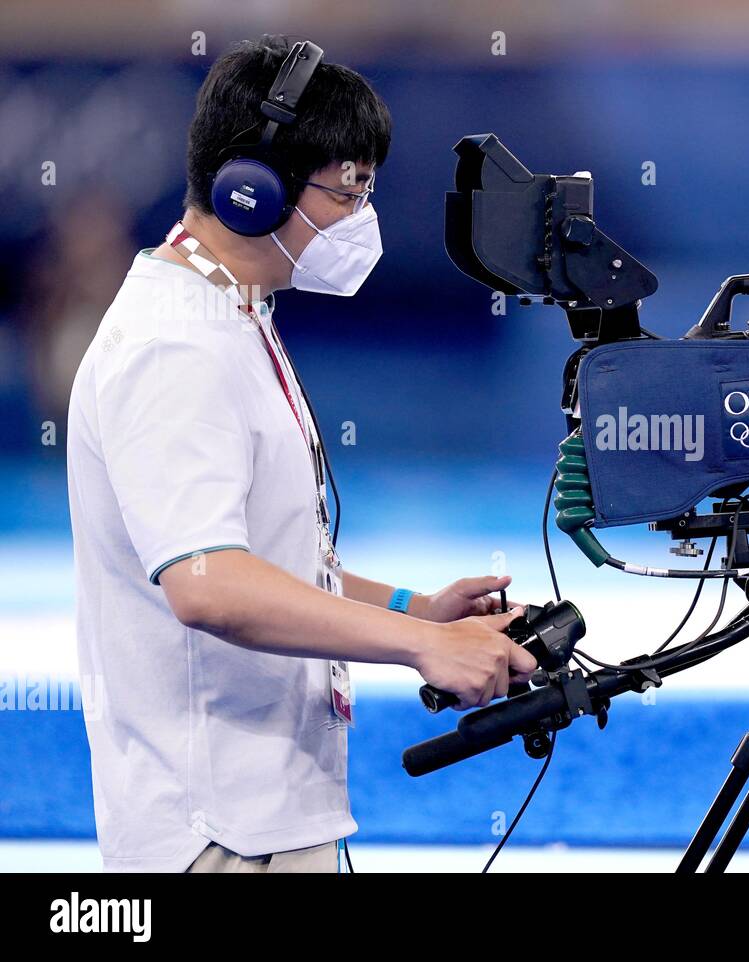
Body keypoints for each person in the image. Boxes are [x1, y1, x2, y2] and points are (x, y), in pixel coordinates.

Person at [65, 36, 537, 873]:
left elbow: (259, 553)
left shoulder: (233, 315)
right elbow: (207, 586)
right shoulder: (174, 344)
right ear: (251, 190)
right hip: (215, 828)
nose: (362, 218)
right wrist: (420, 650)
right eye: (348, 189)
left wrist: (413, 611)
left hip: (262, 815)